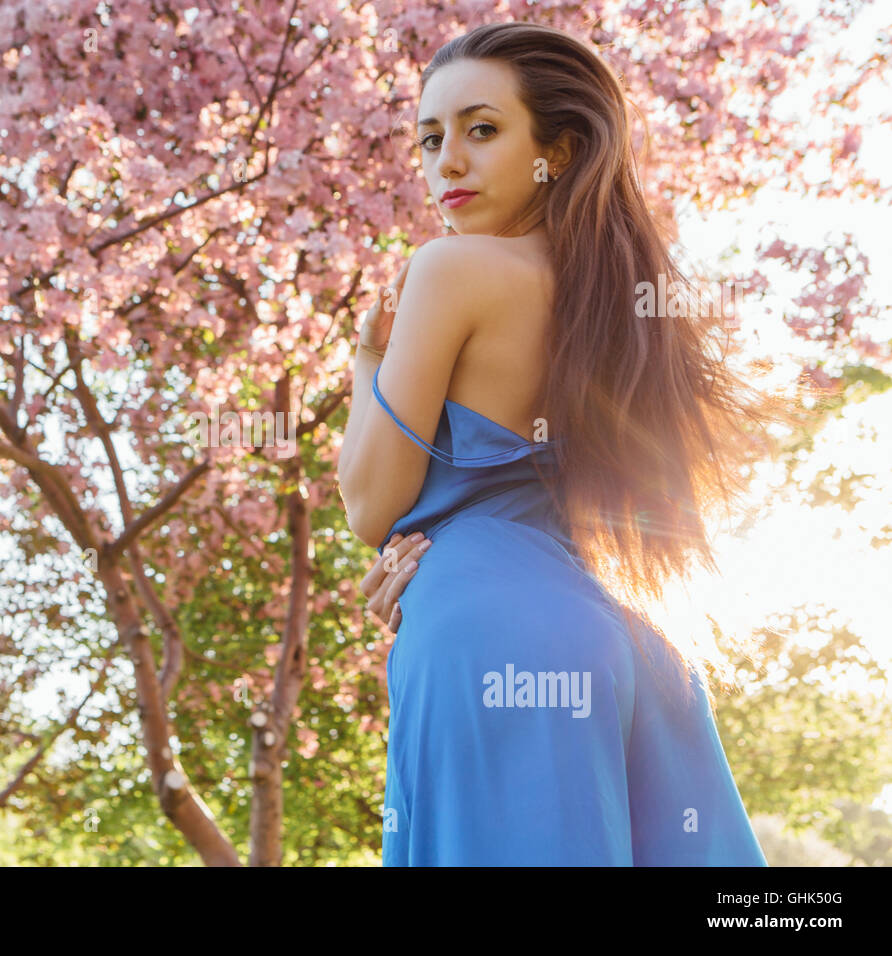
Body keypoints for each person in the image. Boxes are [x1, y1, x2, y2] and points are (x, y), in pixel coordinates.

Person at [336, 22, 785, 866]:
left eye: (481, 129)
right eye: (430, 140)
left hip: (485, 635)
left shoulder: (449, 271)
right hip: (629, 639)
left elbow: (369, 505)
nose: (447, 164)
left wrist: (367, 359)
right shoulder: (627, 310)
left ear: (563, 147)